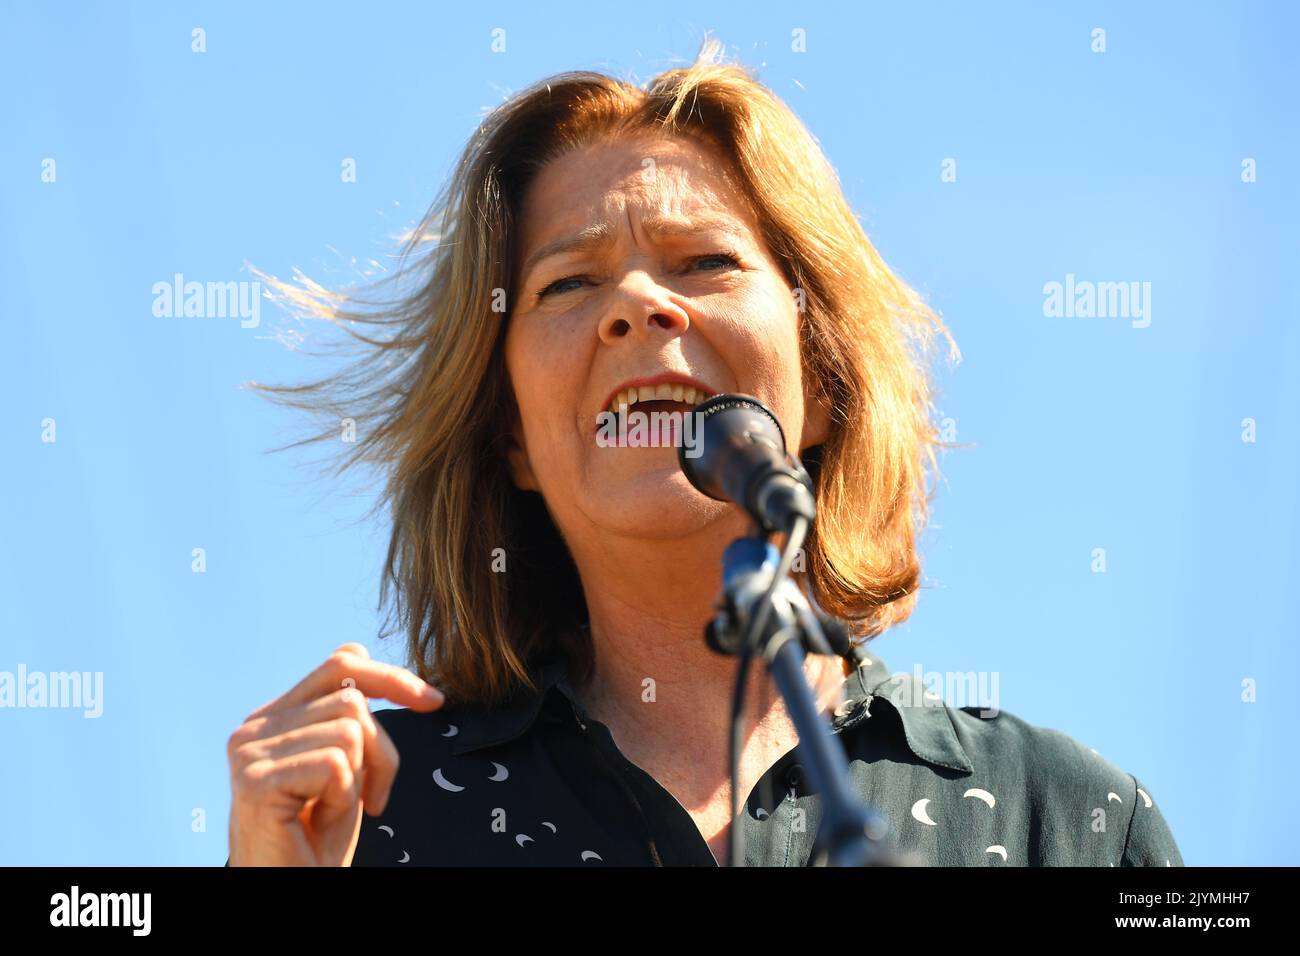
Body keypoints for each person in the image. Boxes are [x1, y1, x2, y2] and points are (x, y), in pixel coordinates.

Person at [226, 38, 1182, 867]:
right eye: (567, 283)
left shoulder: (1066, 816)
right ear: (512, 437)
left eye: (705, 262)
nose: (639, 305)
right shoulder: (371, 819)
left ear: (822, 384)